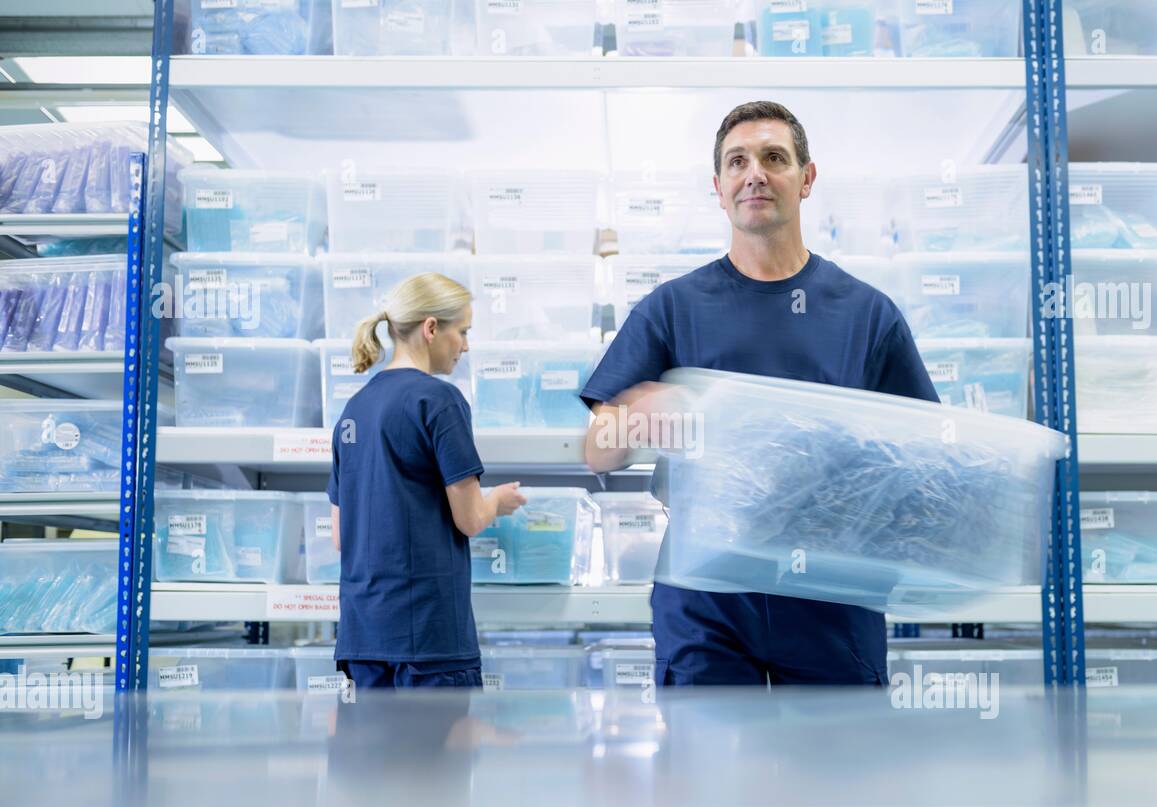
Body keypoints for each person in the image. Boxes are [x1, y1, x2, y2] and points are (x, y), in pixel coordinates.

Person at [580, 101, 939, 687]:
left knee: (834, 773)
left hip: (833, 595)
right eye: (737, 162)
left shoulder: (868, 315)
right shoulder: (672, 308)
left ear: (806, 178)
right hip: (707, 596)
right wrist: (636, 414)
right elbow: (597, 451)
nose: (755, 174)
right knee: (708, 770)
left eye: (775, 158)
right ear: (718, 188)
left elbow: (927, 459)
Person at [328, 273, 527, 689]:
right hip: (428, 640)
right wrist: (497, 502)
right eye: (463, 331)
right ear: (431, 328)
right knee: (436, 755)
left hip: (363, 637)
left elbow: (340, 535)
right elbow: (470, 519)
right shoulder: (439, 400)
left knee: (373, 755)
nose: (466, 346)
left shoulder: (355, 407)